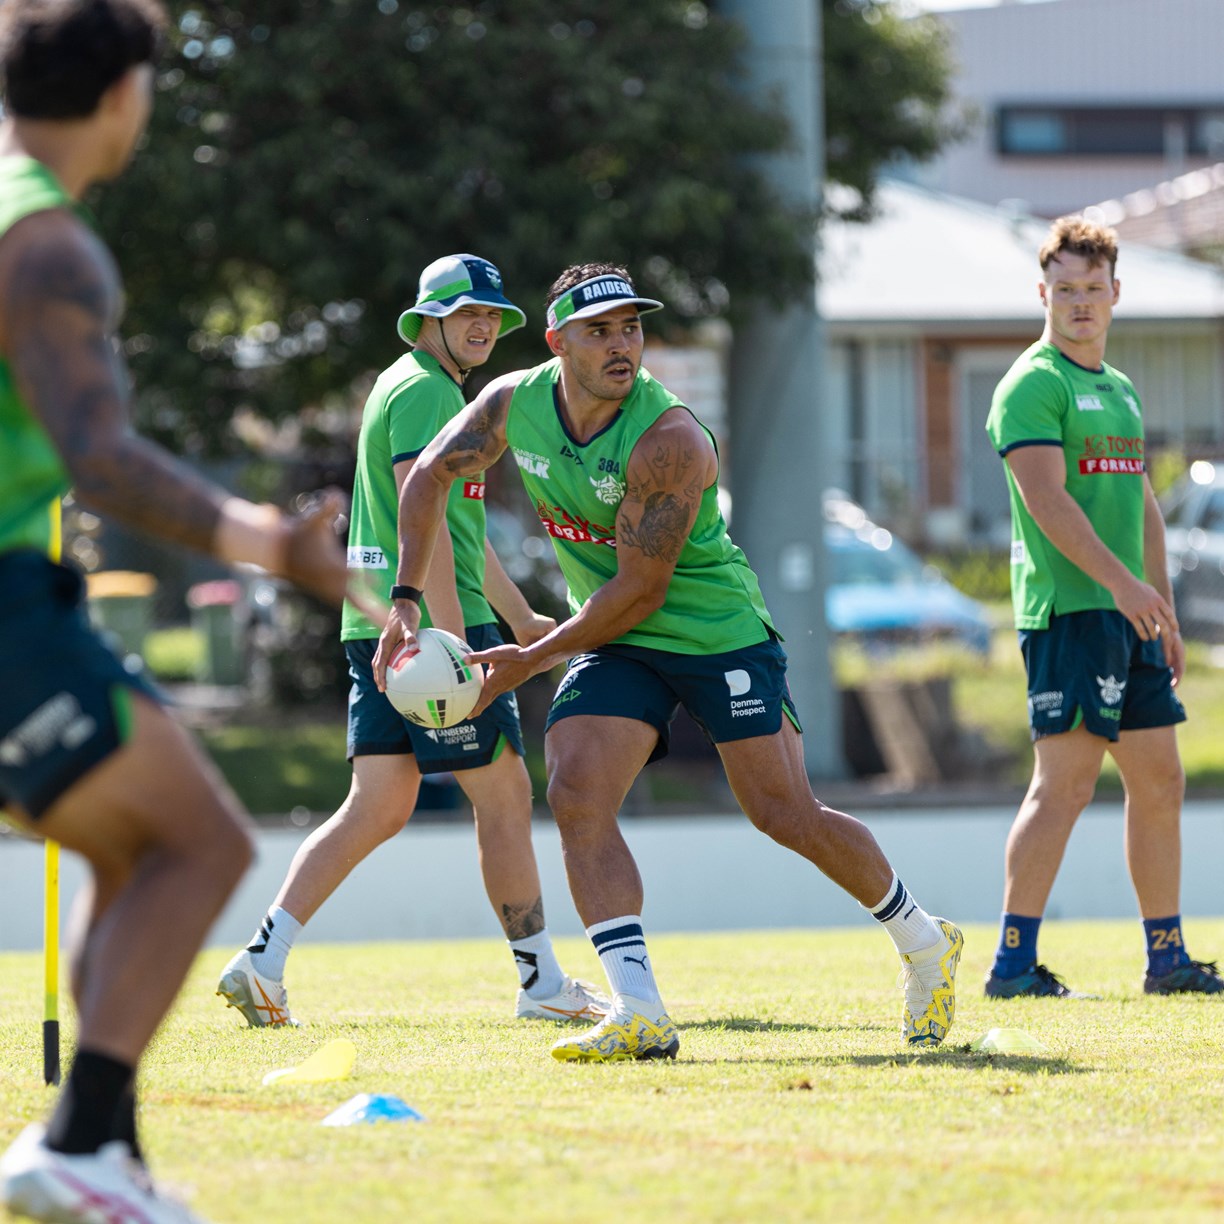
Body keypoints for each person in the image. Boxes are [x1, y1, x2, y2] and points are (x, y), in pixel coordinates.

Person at [374, 263, 964, 1062]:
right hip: (620, 640)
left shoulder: (671, 439)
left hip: (715, 633)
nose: (622, 346)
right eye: (599, 331)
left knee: (783, 813)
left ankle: (924, 941)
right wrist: (406, 599)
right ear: (557, 343)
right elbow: (428, 479)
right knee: (578, 786)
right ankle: (640, 1007)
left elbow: (640, 591)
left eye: (632, 328)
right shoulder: (512, 403)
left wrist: (526, 660)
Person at [0, 2, 360, 1221]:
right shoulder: (48, 241)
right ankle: (78, 1147)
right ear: (122, 97)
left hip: (23, 598)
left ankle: (107, 1160)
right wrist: (265, 539)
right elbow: (100, 453)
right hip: (2, 601)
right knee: (204, 845)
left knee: (127, 848)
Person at [217, 254, 608, 1028]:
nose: (483, 326)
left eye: (493, 316)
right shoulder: (431, 393)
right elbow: (418, 511)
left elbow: (456, 525)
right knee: (504, 794)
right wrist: (453, 643)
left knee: (378, 805)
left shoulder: (404, 383)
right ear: (426, 319)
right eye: (467, 313)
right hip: (427, 629)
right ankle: (541, 983)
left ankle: (261, 960)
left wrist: (522, 616)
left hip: (380, 628)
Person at [983, 216, 1222, 999]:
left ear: (1116, 293)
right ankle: (1013, 965)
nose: (1080, 302)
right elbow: (1047, 502)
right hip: (1072, 613)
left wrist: (1164, 614)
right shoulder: (1033, 383)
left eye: (1093, 289)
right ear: (1042, 294)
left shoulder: (1117, 389)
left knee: (1160, 781)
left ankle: (1167, 959)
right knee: (1066, 785)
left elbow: (1142, 503)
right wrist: (1122, 587)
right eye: (1065, 289)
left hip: (1131, 618)